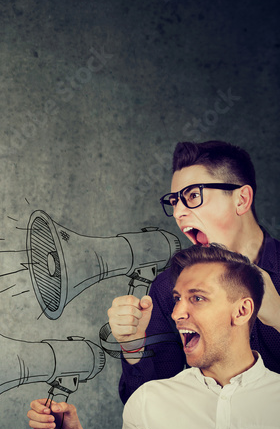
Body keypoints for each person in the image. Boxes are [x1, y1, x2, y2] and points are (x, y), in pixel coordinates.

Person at [29, 244, 280, 429]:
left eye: (197, 298)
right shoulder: (150, 399)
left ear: (242, 311)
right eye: (177, 299)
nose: (177, 313)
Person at [107, 140, 280, 402]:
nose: (178, 212)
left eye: (193, 196)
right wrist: (133, 346)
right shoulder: (168, 289)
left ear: (242, 199)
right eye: (174, 201)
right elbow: (149, 407)